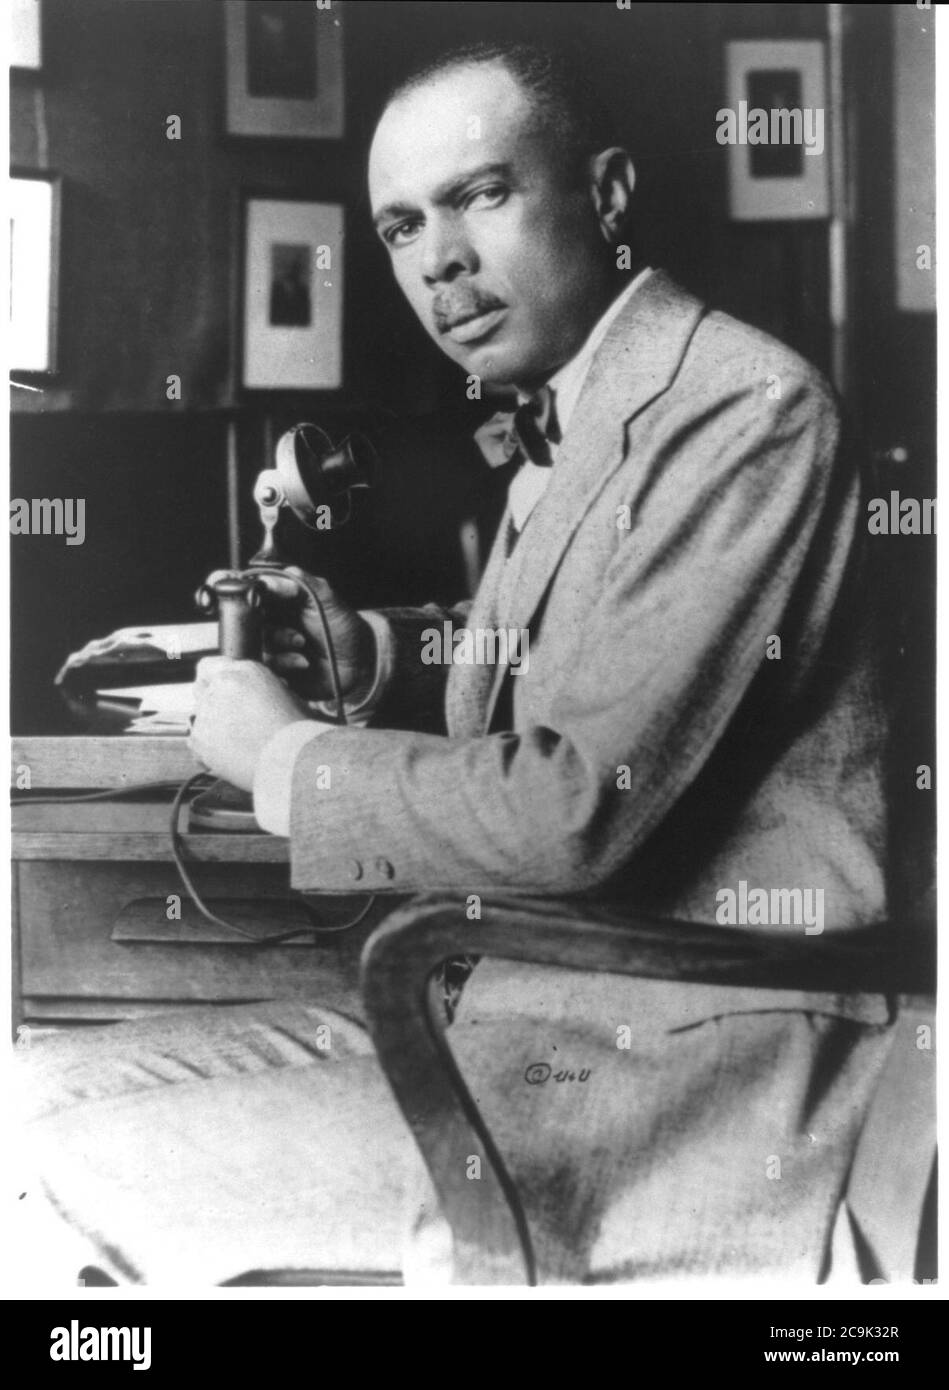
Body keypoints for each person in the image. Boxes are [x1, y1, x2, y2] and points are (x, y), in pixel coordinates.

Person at [22, 42, 900, 1285]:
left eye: (480, 196)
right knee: (20, 1087)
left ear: (603, 195)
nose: (436, 260)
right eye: (398, 227)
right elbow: (584, 648)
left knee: (60, 1173)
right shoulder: (579, 401)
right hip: (520, 1011)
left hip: (685, 1066)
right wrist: (375, 654)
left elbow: (571, 810)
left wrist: (284, 755)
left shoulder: (742, 410)